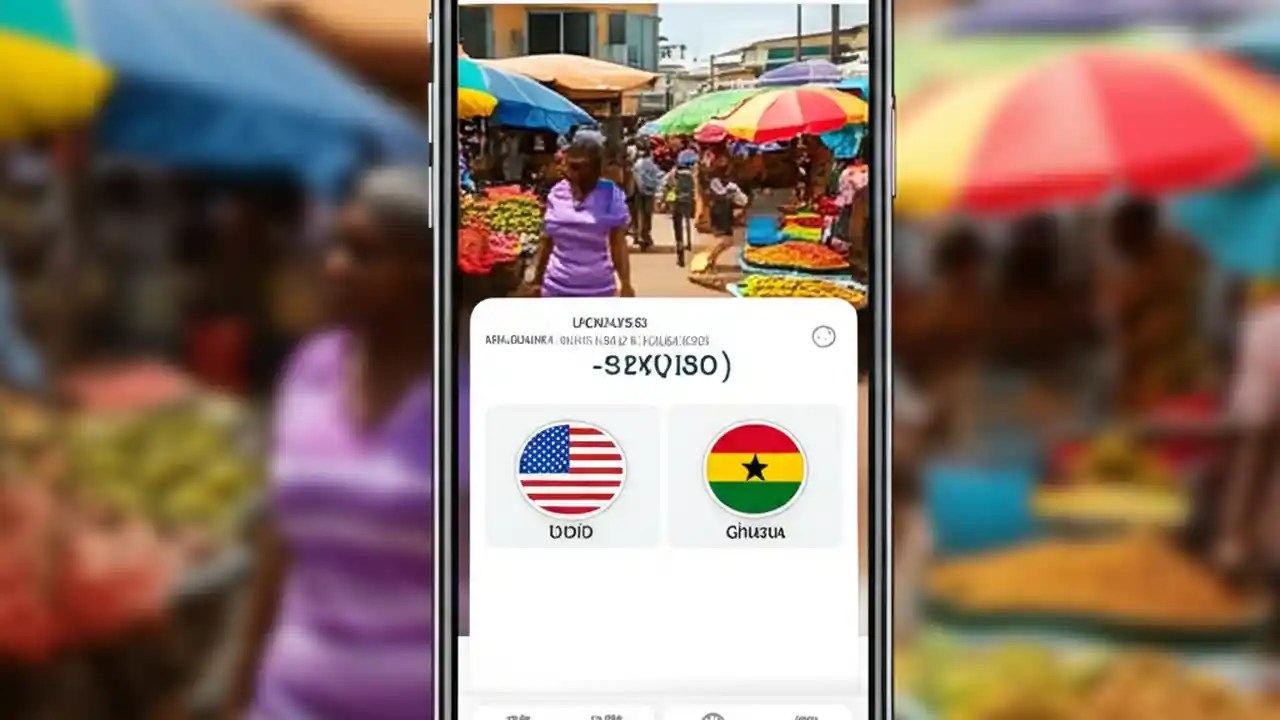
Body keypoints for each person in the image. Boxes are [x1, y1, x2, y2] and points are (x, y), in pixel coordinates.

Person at [228, 167, 432, 720]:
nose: (334, 267)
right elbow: (281, 541)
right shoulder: (311, 371)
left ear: (419, 270)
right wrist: (241, 687)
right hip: (291, 700)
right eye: (337, 247)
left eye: (364, 254)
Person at [1101, 198, 1208, 415]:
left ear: (1141, 228)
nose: (1114, 239)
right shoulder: (1139, 268)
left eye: (1120, 230)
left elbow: (1124, 306)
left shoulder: (1169, 263)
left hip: (1169, 383)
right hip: (1144, 385)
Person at [532, 132, 634, 297]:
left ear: (595, 168)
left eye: (578, 167)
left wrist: (626, 284)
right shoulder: (557, 193)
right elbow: (547, 240)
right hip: (556, 287)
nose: (569, 172)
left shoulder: (610, 195)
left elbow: (618, 244)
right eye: (569, 165)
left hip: (597, 289)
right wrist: (537, 281)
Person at [691, 162, 740, 275]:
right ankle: (706, 260)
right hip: (721, 209)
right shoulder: (714, 179)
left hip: (720, 208)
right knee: (726, 240)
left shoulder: (707, 180)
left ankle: (709, 262)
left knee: (724, 240)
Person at [662, 151, 697, 265]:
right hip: (689, 202)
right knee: (688, 222)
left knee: (677, 226)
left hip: (676, 201)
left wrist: (662, 200)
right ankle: (689, 242)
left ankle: (679, 245)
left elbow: (665, 185)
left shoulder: (673, 173)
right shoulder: (694, 174)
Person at [632, 145, 662, 250]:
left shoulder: (636, 164)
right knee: (647, 214)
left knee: (639, 213)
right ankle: (645, 234)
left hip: (638, 193)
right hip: (649, 193)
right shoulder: (652, 165)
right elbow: (658, 178)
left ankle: (639, 235)